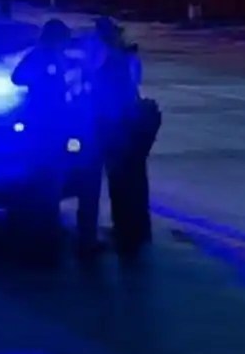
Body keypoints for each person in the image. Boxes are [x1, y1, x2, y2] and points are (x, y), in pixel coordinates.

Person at [11, 19, 99, 252]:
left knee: (55, 180)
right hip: (45, 128)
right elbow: (18, 77)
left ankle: (49, 229)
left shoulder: (61, 58)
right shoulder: (41, 57)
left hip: (56, 126)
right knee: (47, 181)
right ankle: (45, 232)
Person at [88, 17, 158, 255]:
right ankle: (137, 230)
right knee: (135, 180)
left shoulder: (110, 59)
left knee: (121, 181)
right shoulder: (127, 56)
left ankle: (127, 231)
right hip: (133, 123)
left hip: (119, 126)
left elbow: (105, 92)